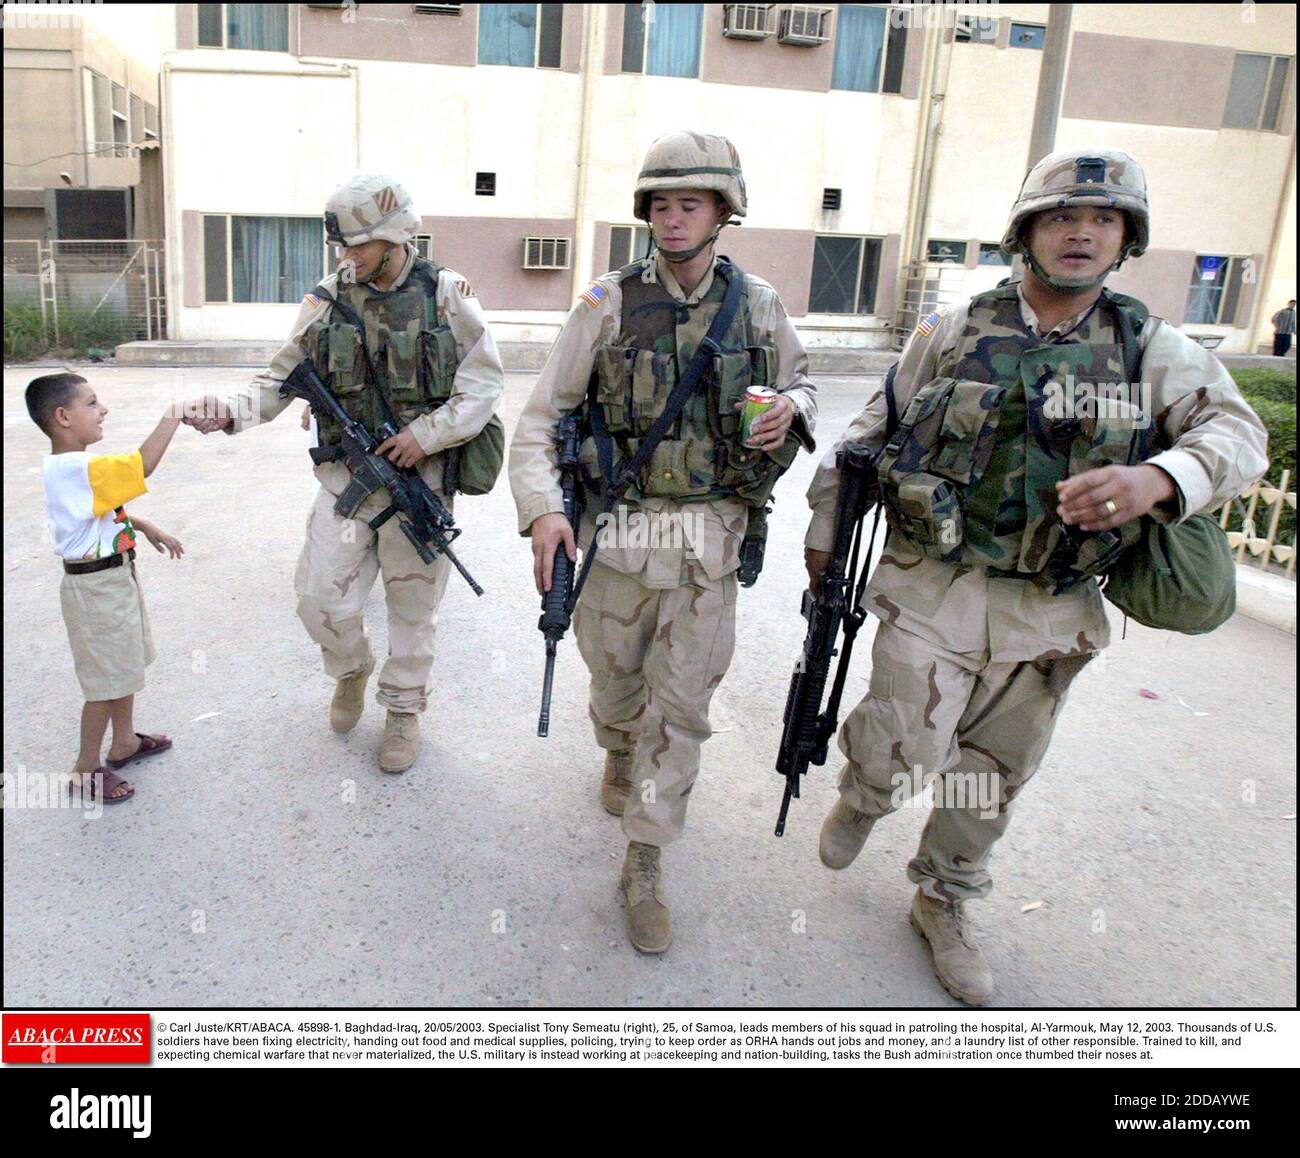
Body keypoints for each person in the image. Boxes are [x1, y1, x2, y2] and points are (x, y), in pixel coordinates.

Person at [805, 149, 1268, 1004]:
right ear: (1026, 233)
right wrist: (826, 534)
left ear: (1128, 238)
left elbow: (1240, 439)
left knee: (992, 770)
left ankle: (943, 899)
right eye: (1061, 217)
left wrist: (1158, 480)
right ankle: (866, 797)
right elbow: (872, 432)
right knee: (896, 735)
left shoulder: (1150, 348)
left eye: (1102, 220)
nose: (1081, 232)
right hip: (935, 584)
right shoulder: (952, 330)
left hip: (1053, 608)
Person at [509, 132, 817, 953]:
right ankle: (615, 745)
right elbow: (539, 419)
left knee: (682, 707)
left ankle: (645, 855)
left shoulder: (757, 304)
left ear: (723, 212)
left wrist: (797, 411)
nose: (673, 218)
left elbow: (800, 382)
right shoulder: (604, 304)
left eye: (691, 203)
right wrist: (544, 511)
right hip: (616, 533)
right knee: (615, 684)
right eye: (661, 204)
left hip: (709, 538)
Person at [185, 174, 504, 772]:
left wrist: (424, 436)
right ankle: (351, 668)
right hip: (348, 479)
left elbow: (483, 385)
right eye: (342, 246)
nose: (346, 257)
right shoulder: (328, 298)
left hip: (420, 485)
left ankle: (403, 711)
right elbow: (280, 376)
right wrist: (230, 413)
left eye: (358, 245)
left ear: (394, 237)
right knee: (318, 598)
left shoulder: (445, 293)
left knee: (413, 610)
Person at [28, 372, 185, 804]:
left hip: (113, 579)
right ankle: (85, 769)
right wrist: (175, 414)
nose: (103, 410)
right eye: (92, 403)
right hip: (96, 590)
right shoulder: (79, 467)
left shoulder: (75, 469)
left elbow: (99, 512)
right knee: (104, 684)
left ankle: (124, 743)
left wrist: (145, 524)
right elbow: (142, 465)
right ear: (62, 416)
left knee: (124, 667)